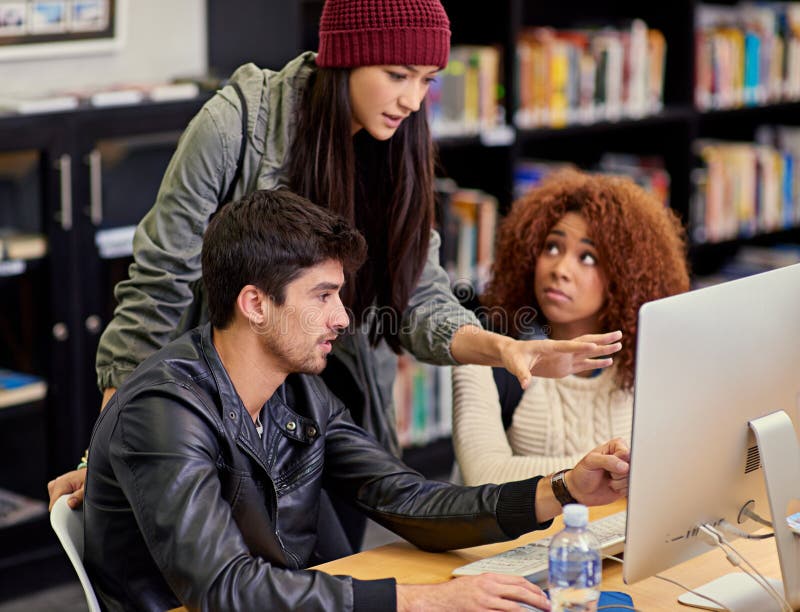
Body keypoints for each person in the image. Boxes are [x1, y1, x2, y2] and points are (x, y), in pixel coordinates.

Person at [48, 0, 621, 539]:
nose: (414, 101)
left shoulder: (400, 147)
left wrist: (504, 350)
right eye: (398, 74)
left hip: (330, 403)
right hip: (227, 396)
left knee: (334, 561)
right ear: (343, 56)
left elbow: (419, 304)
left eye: (427, 80)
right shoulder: (236, 125)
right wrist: (103, 448)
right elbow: (157, 287)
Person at [80, 189, 630, 611]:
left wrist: (563, 489)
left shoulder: (297, 390)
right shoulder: (164, 409)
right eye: (322, 296)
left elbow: (407, 499)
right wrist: (417, 601)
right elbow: (224, 588)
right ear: (254, 304)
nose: (342, 318)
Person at [453, 169, 689, 485]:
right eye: (552, 247)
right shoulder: (485, 353)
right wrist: (605, 469)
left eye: (588, 257)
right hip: (522, 535)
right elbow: (484, 477)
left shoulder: (648, 361)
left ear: (624, 276)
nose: (560, 269)